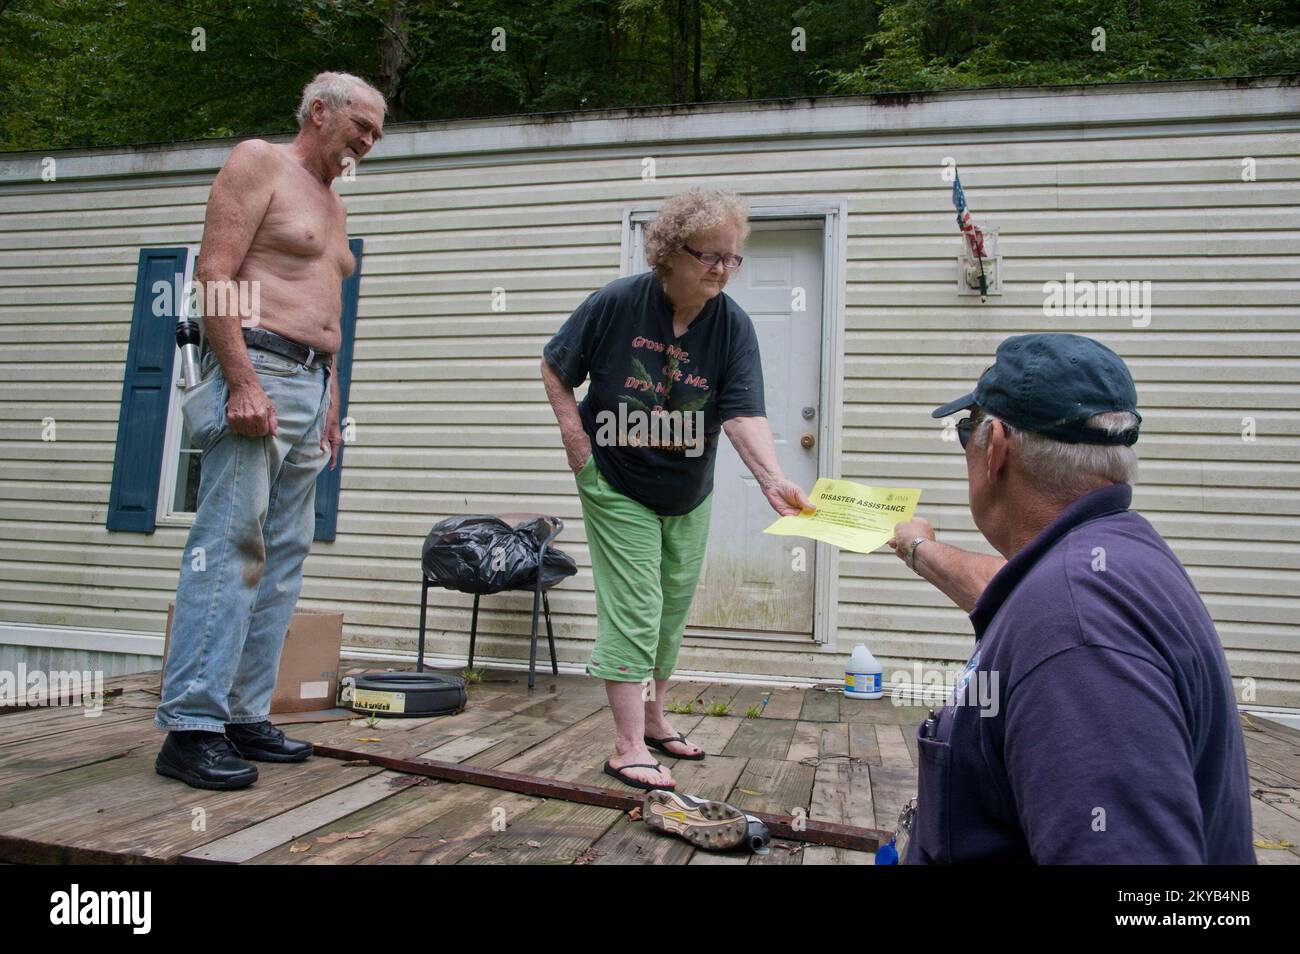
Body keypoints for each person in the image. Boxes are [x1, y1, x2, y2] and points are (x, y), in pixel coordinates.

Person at [887, 333, 1254, 863]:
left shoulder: (1075, 635)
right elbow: (1015, 596)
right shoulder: (1107, 556)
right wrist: (919, 549)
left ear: (996, 448)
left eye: (969, 430)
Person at [154, 72, 386, 790]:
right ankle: (191, 728)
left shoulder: (336, 206)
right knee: (230, 549)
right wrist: (242, 381)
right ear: (321, 112)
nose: (370, 142)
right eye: (363, 127)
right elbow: (216, 273)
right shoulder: (259, 161)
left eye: (378, 133)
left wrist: (331, 403)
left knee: (282, 558)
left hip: (312, 387)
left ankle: (244, 715)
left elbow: (330, 318)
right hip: (255, 368)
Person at [541, 189, 814, 791]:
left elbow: (742, 413)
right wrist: (575, 445)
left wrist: (771, 477)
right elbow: (557, 367)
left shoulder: (731, 326)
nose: (721, 269)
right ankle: (626, 745)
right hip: (616, 480)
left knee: (670, 609)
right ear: (669, 251)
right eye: (708, 255)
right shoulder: (617, 303)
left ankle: (656, 718)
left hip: (689, 490)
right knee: (635, 606)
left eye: (731, 258)